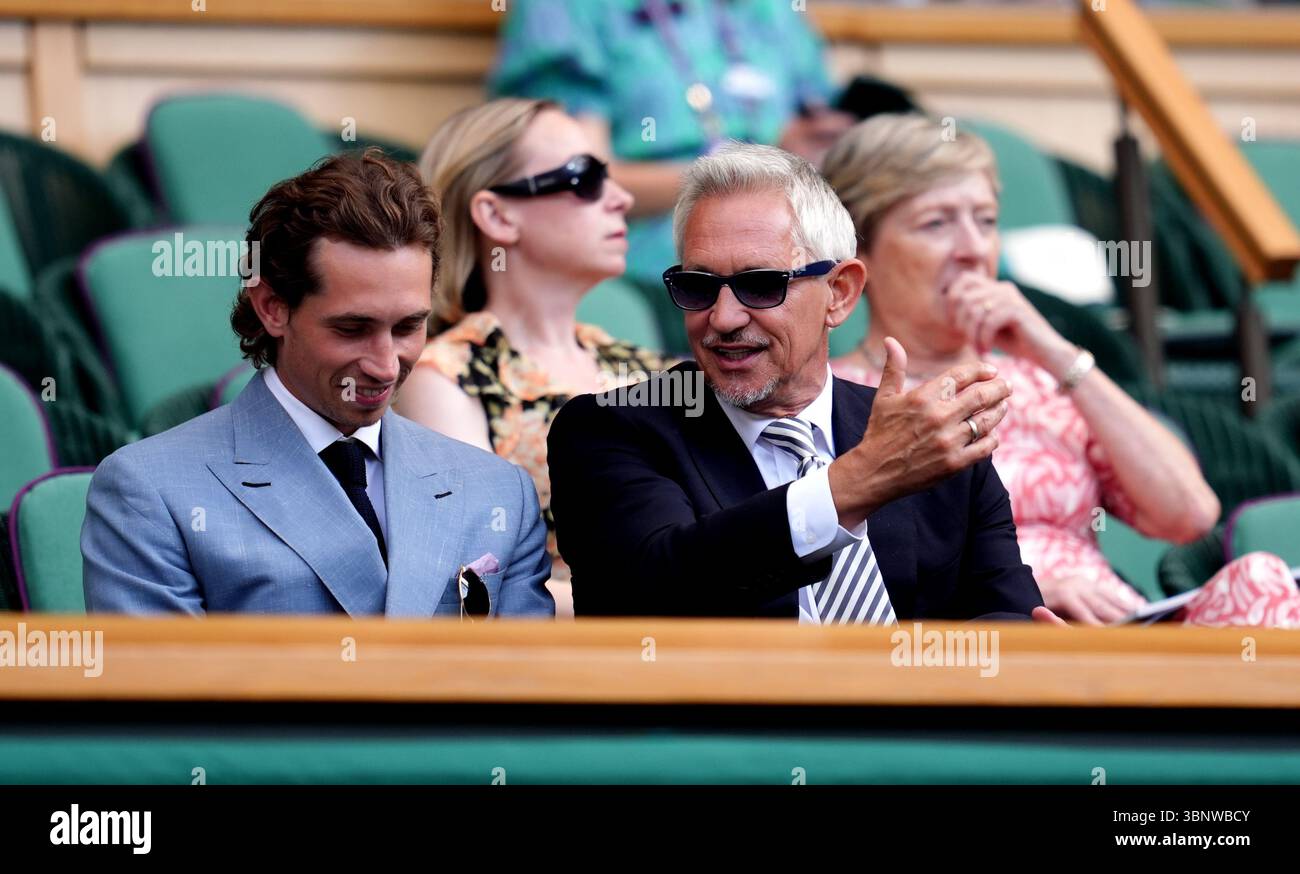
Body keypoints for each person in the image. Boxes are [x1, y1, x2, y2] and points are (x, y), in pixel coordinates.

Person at [821, 113, 1300, 627]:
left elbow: (1189, 514)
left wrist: (1055, 354)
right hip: (980, 652)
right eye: (936, 224)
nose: (972, 249)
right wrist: (1014, 593)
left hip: (1113, 636)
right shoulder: (829, 397)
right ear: (859, 249)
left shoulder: (1043, 381)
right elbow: (834, 585)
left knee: (1260, 580)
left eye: (985, 221)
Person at [547, 142, 1054, 622]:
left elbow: (1007, 616)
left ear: (839, 293)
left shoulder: (926, 443)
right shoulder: (610, 429)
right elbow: (651, 592)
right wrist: (857, 482)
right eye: (698, 287)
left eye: (761, 284)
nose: (722, 318)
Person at [81, 151, 553, 618]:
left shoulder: (499, 492)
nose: (386, 365)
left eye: (408, 327)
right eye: (352, 329)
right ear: (271, 307)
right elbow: (163, 690)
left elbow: (525, 685)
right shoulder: (149, 492)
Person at [396, 99, 669, 618]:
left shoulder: (649, 370)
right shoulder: (446, 377)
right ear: (497, 215)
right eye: (584, 178)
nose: (622, 199)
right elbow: (475, 584)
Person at [489, 0, 853, 355]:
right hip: (651, 272)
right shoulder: (569, 9)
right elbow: (583, 179)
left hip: (787, 255)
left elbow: (814, 120)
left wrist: (805, 144)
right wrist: (739, 181)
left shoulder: (775, 8)